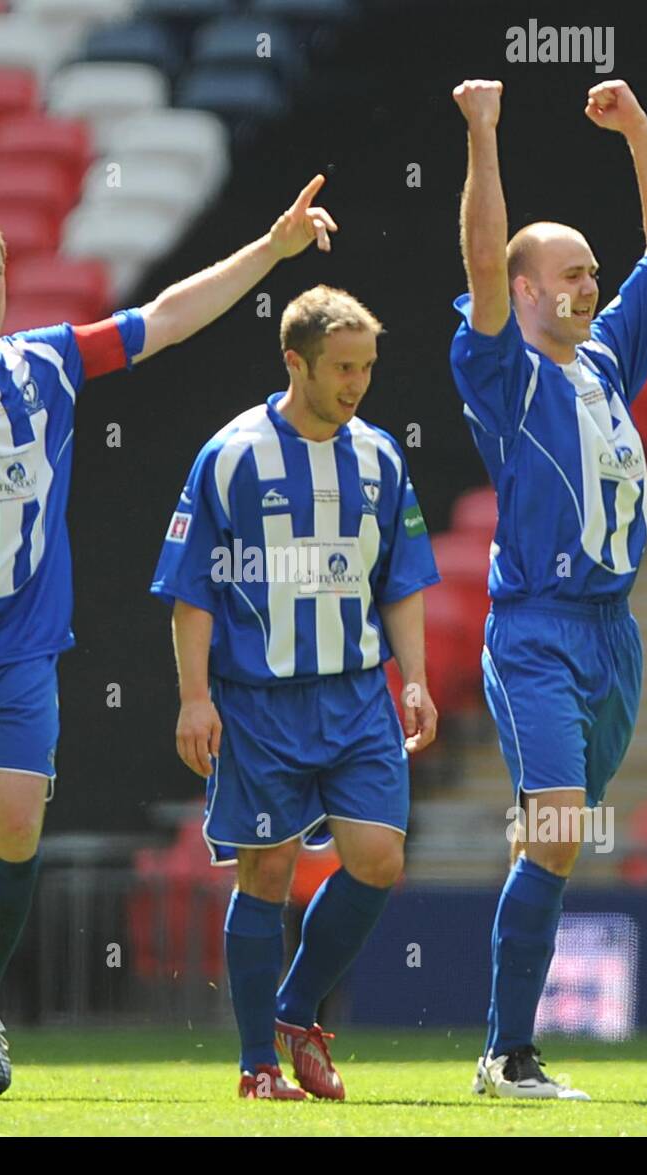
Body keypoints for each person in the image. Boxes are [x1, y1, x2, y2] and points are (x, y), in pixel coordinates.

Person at [0, 177, 339, 1097]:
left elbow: (163, 318)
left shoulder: (46, 363)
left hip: (20, 646)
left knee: (14, 821)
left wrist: (272, 251)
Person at [450, 78, 647, 1099]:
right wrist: (482, 135)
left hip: (612, 635)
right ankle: (507, 1052)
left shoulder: (605, 361)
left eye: (593, 271)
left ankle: (509, 1044)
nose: (589, 285)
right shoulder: (504, 372)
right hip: (537, 632)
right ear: (524, 289)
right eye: (570, 273)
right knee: (552, 826)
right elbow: (481, 256)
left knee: (555, 842)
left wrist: (640, 126)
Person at [151, 285, 440, 1099]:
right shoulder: (233, 455)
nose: (356, 384)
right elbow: (193, 588)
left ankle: (294, 1008)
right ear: (295, 361)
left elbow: (403, 578)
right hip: (259, 703)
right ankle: (256, 1066)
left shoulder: (381, 456)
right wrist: (195, 696)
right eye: (342, 368)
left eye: (368, 368)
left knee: (378, 859)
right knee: (267, 874)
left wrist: (413, 678)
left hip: (355, 695)